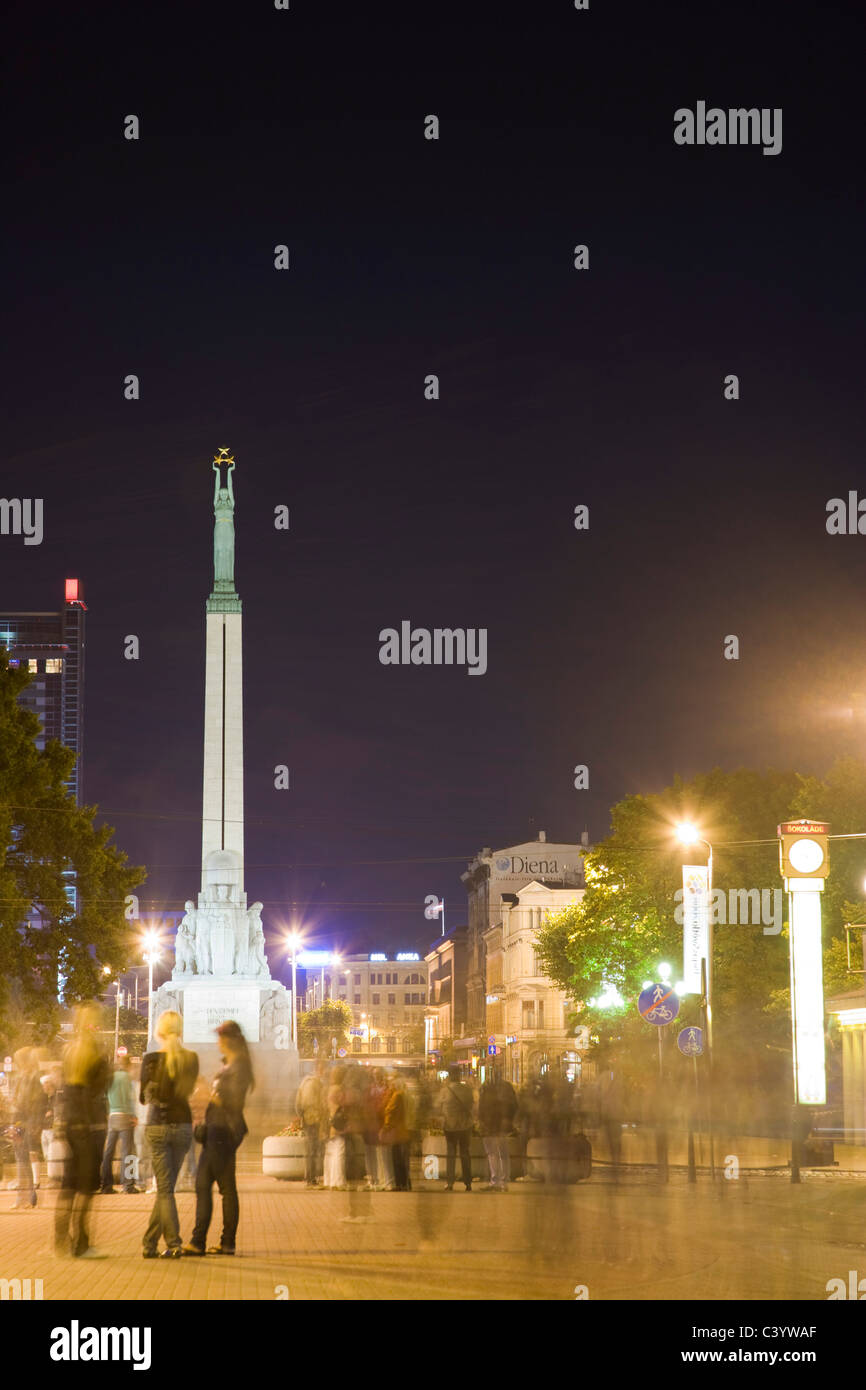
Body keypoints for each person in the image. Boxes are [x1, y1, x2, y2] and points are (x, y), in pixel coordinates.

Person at [183, 1020, 253, 1256]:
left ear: (229, 1041)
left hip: (222, 1132)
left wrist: (210, 1096)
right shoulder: (231, 1065)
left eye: (221, 1038)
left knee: (208, 1185)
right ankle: (225, 1242)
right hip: (217, 1130)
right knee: (223, 1187)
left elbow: (233, 1103)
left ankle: (200, 1241)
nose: (218, 1043)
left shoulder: (239, 1068)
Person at [140, 1010, 199, 1258]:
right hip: (183, 1126)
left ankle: (174, 1243)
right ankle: (149, 1243)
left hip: (157, 1126)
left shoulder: (151, 1059)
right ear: (181, 1030)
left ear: (160, 1031)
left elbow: (143, 1098)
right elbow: (188, 1091)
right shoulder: (191, 1059)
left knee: (165, 1189)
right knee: (166, 1188)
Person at [54, 1003, 111, 1257]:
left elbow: (67, 1091)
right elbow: (100, 1088)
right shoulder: (95, 1053)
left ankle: (60, 1241)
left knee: (69, 1183)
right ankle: (82, 1243)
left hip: (70, 1124)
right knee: (87, 1186)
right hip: (89, 1126)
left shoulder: (69, 1052)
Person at [9, 1048, 47, 1210]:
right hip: (20, 1122)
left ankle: (28, 1197)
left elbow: (37, 1103)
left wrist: (35, 1124)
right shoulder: (22, 1077)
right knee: (21, 1159)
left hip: (26, 1123)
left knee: (23, 1159)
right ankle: (27, 1197)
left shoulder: (32, 1078)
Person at [99, 1055, 141, 1194]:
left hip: (112, 1116)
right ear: (128, 1065)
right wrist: (133, 1115)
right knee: (128, 1152)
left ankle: (106, 1185)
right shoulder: (127, 1078)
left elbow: (105, 1097)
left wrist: (108, 1113)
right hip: (125, 1116)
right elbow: (130, 1098)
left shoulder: (110, 1077)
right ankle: (128, 1185)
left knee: (108, 1152)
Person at [478, 1070, 518, 1192]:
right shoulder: (506, 1088)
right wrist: (509, 1120)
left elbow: (482, 1106)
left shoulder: (487, 1087)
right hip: (500, 1124)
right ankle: (503, 1182)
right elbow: (514, 1105)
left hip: (491, 1124)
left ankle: (496, 1181)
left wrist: (482, 1121)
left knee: (493, 1153)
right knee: (502, 1152)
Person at [438, 1067, 475, 1192]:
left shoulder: (445, 1091)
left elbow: (437, 1107)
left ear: (450, 1076)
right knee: (465, 1154)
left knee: (451, 1154)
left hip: (450, 1126)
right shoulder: (467, 1089)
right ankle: (468, 1183)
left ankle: (450, 1183)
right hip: (465, 1125)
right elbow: (472, 1105)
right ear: (459, 1076)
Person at [295, 1062, 326, 1187]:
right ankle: (311, 1178)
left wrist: (301, 1116)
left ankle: (309, 1176)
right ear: (318, 1069)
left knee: (310, 1149)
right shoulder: (315, 1083)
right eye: (323, 1069)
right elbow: (315, 1103)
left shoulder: (304, 1082)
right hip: (314, 1120)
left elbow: (298, 1103)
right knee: (313, 1150)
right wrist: (320, 1117)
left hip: (307, 1119)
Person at [381, 1072, 411, 1190]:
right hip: (403, 1129)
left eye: (391, 1083)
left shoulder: (397, 1096)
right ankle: (405, 1183)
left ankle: (400, 1183)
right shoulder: (404, 1095)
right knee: (402, 1158)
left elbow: (389, 1112)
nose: (390, 1085)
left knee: (397, 1158)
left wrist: (385, 1127)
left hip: (396, 1131)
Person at [323, 1064, 347, 1189]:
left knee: (330, 1154)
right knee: (339, 1153)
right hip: (338, 1125)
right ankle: (338, 1181)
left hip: (330, 1124)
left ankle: (329, 1180)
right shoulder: (338, 1089)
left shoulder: (330, 1088)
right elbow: (344, 1105)